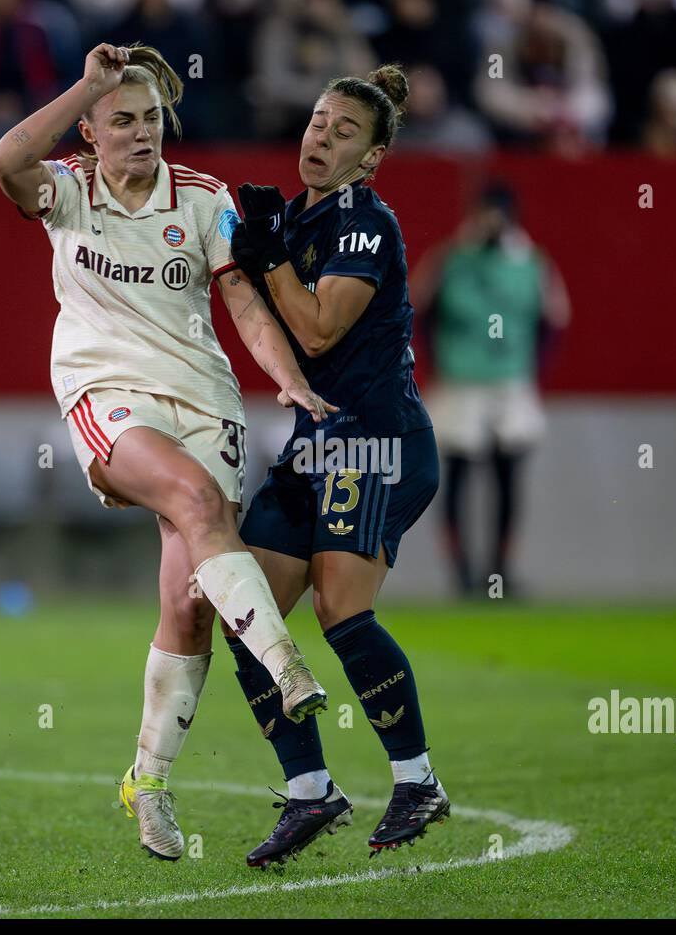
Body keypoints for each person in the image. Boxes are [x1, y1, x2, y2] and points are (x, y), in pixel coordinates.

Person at [0, 42, 339, 861]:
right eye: (123, 121)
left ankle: (146, 785)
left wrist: (285, 379)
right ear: (91, 131)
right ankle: (288, 668)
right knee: (196, 501)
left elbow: (245, 306)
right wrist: (88, 83)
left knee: (189, 606)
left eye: (151, 119)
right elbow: (7, 157)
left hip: (204, 401)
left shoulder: (205, 200)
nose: (142, 134)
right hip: (107, 394)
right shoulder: (66, 194)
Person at [225, 64, 450, 866]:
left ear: (372, 157)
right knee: (246, 616)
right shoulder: (292, 217)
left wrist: (271, 262)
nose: (321, 136)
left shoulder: (364, 222)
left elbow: (319, 331)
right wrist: (251, 260)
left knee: (339, 610)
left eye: (343, 131)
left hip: (376, 441)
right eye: (318, 121)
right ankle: (312, 791)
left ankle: (417, 779)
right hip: (315, 444)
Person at [411, 181, 569, 596]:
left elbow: (554, 319)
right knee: (457, 478)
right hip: (460, 382)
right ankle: (462, 575)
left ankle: (499, 572)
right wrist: (437, 365)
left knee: (508, 479)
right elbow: (418, 310)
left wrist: (533, 372)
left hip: (509, 383)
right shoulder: (450, 259)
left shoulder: (532, 262)